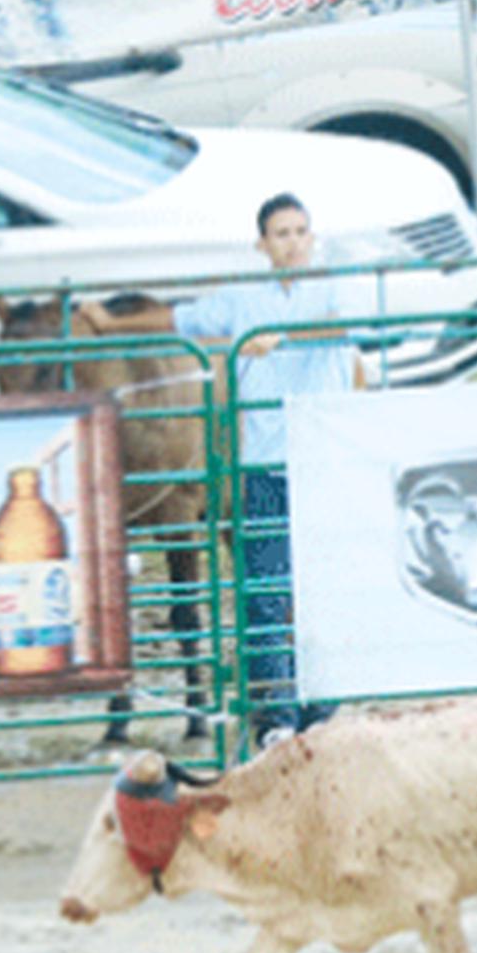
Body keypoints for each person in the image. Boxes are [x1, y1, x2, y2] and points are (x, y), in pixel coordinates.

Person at [78, 192, 358, 750]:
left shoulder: (334, 287)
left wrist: (278, 340)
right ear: (263, 244)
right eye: (282, 234)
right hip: (263, 460)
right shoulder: (239, 299)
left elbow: (345, 328)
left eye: (301, 232)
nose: (294, 242)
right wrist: (111, 322)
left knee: (320, 585)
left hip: (320, 459)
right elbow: (177, 317)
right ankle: (277, 711)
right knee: (264, 588)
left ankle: (322, 706)